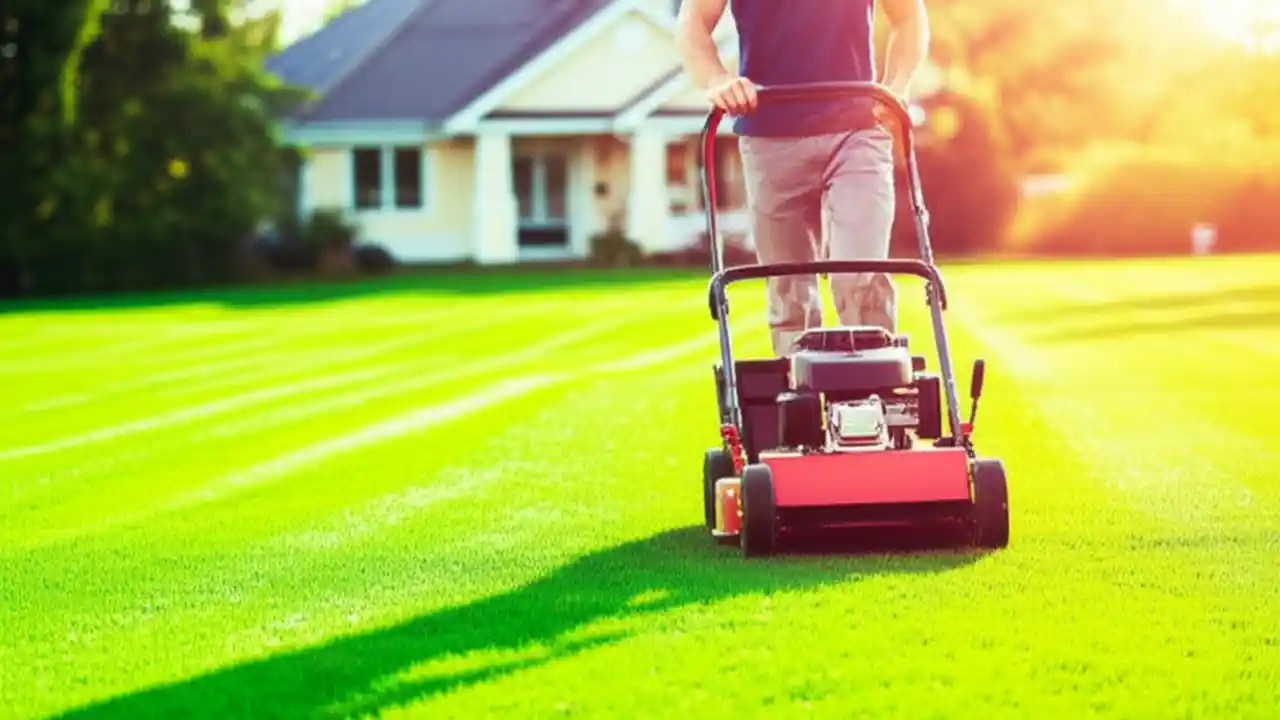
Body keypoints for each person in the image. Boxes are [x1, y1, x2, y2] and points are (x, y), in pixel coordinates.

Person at [676, 0, 930, 356]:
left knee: (858, 275)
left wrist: (896, 87)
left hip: (857, 127)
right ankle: (798, 402)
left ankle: (873, 394)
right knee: (789, 293)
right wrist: (718, 78)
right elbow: (692, 21)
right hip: (768, 134)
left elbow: (908, 16)